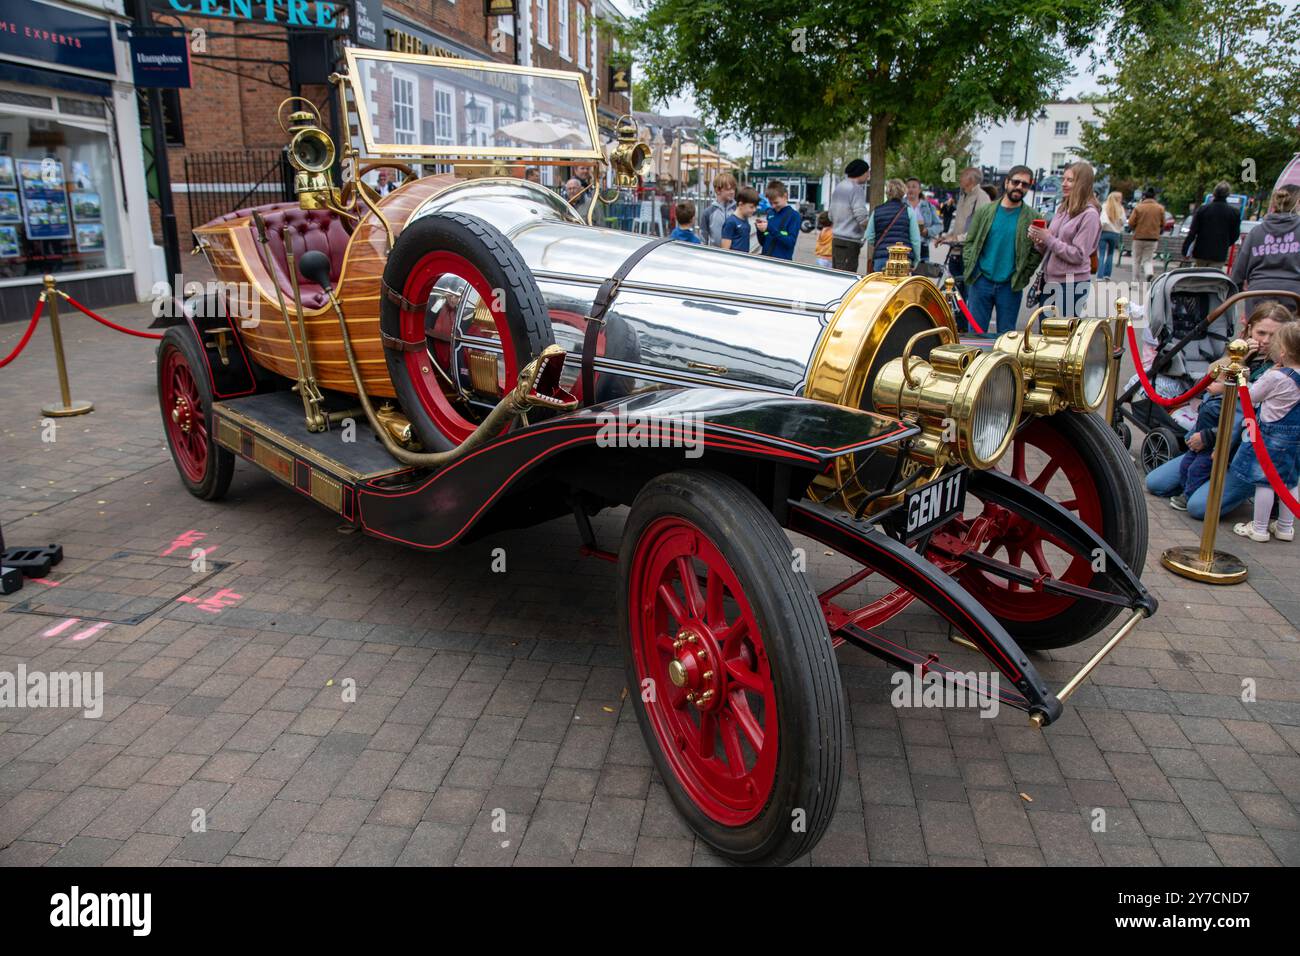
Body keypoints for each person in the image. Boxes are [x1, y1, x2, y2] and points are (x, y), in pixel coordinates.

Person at [1146, 303, 1294, 517]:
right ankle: (1209, 483)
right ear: (1250, 329)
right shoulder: (1240, 355)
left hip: (1246, 452)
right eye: (1261, 332)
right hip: (1213, 445)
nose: (1266, 341)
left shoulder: (1282, 373)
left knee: (1198, 508)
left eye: (1275, 335)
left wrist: (1208, 436)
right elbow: (1210, 381)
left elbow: (1248, 416)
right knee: (1156, 483)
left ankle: (1258, 488)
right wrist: (1240, 357)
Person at [1230, 321, 1300, 542]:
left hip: (1271, 436)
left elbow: (1250, 397)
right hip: (1296, 437)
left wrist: (1245, 380)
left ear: (1282, 352)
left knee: (1265, 482)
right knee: (1290, 481)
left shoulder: (1276, 376)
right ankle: (1285, 527)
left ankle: (1259, 528)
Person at [961, 166, 1043, 335]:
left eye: (1025, 184)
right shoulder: (986, 211)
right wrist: (973, 268)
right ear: (1007, 182)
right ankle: (977, 362)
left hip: (1010, 286)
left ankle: (1002, 363)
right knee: (976, 334)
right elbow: (970, 242)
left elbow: (1037, 252)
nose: (1019, 187)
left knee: (1007, 336)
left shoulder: (1032, 217)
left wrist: (1023, 274)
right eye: (1016, 182)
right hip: (981, 281)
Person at [1028, 161, 1101, 318]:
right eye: (1063, 179)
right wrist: (1039, 240)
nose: (1064, 184)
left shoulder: (1090, 215)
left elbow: (1079, 255)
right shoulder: (1063, 209)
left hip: (1071, 284)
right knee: (1045, 335)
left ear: (1082, 183)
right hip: (1051, 281)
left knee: (1060, 337)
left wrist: (1048, 238)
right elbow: (1051, 245)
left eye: (1070, 180)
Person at [1231, 184, 1300, 311]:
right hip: (1294, 294)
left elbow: (1239, 269)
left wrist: (1234, 290)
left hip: (1258, 293)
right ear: (1298, 203)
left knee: (1258, 328)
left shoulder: (1256, 231)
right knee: (1291, 330)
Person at [864, 178, 921, 272]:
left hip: (881, 258)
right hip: (903, 259)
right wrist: (916, 260)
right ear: (903, 193)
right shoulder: (908, 212)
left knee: (880, 286)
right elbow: (915, 240)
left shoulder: (877, 211)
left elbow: (869, 236)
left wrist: (881, 244)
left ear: (887, 192)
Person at [1182, 181, 1240, 269]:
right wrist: (1225, 243)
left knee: (1199, 276)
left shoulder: (1203, 210)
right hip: (1219, 253)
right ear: (1228, 195)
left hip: (1201, 251)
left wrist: (1185, 250)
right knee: (1213, 278)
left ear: (1214, 193)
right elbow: (1235, 235)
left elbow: (1193, 232)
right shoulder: (1234, 213)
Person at [829, 159, 871, 271]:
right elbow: (861, 217)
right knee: (847, 275)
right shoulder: (856, 190)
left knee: (837, 273)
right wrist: (871, 228)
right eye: (867, 172)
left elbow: (830, 215)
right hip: (850, 241)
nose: (868, 176)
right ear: (861, 172)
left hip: (836, 238)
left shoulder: (839, 187)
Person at [756, 180, 801, 260]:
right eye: (770, 203)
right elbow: (763, 243)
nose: (773, 206)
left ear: (785, 196)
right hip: (766, 259)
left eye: (776, 203)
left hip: (782, 263)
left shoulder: (794, 216)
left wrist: (769, 228)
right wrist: (760, 230)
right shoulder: (770, 213)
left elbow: (790, 243)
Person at [1128, 188, 1166, 279]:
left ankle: (1135, 282)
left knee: (1136, 260)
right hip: (1153, 238)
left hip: (1139, 237)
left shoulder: (1139, 207)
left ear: (1144, 196)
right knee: (1148, 259)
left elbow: (1131, 222)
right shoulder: (1160, 208)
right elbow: (1163, 223)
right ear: (1154, 197)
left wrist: (1135, 229)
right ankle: (1149, 273)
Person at [905, 177, 942, 262]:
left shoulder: (928, 206)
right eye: (908, 187)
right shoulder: (901, 205)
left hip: (923, 247)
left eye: (914, 187)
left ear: (919, 190)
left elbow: (939, 225)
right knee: (904, 275)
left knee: (920, 275)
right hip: (905, 247)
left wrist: (927, 231)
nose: (910, 189)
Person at [699, 173, 737, 247]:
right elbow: (703, 237)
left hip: (734, 255)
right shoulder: (708, 212)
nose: (732, 192)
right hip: (715, 254)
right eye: (728, 189)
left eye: (733, 188)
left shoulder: (737, 210)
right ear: (718, 190)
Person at [720, 186, 759, 253]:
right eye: (751, 207)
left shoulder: (745, 220)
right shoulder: (731, 222)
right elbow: (725, 250)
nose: (754, 210)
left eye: (755, 207)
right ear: (741, 204)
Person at [1097, 190, 1125, 280]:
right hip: (1115, 234)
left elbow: (1102, 221)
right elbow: (1123, 221)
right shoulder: (1120, 208)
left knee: (1101, 254)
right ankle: (1107, 275)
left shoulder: (1105, 206)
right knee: (1110, 254)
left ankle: (1099, 276)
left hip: (1104, 233)